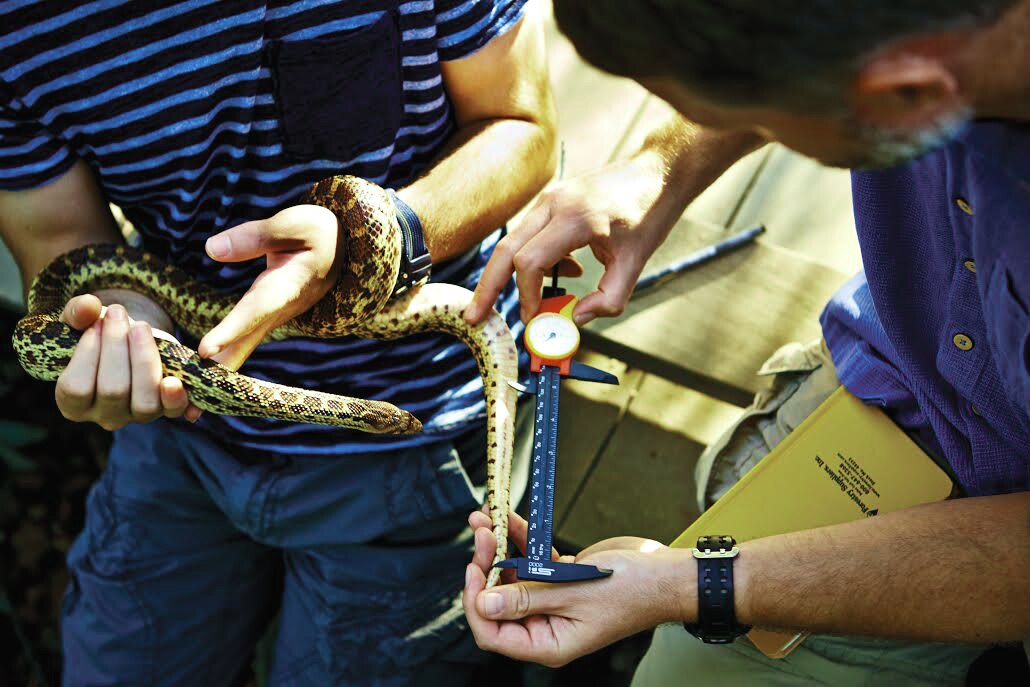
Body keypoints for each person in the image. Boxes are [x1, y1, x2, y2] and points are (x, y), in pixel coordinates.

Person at [461, 1, 1030, 684]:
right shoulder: (892, 37)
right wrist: (660, 167)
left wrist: (691, 585)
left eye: (762, 122)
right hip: (886, 385)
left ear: (906, 96)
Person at [0, 1, 555, 685]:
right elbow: (60, 239)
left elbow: (523, 125)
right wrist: (123, 325)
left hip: (420, 434)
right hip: (185, 436)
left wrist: (376, 239)